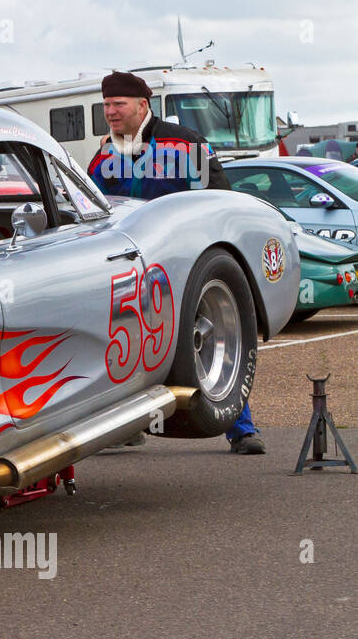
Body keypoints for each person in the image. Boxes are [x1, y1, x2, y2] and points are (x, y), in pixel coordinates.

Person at [87, 70, 265, 455]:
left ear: (142, 105)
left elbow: (220, 198)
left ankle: (241, 428)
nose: (111, 112)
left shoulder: (184, 143)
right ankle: (124, 427)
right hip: (130, 266)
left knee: (204, 339)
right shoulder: (106, 152)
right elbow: (92, 207)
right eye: (106, 105)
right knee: (127, 344)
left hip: (185, 263)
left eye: (118, 104)